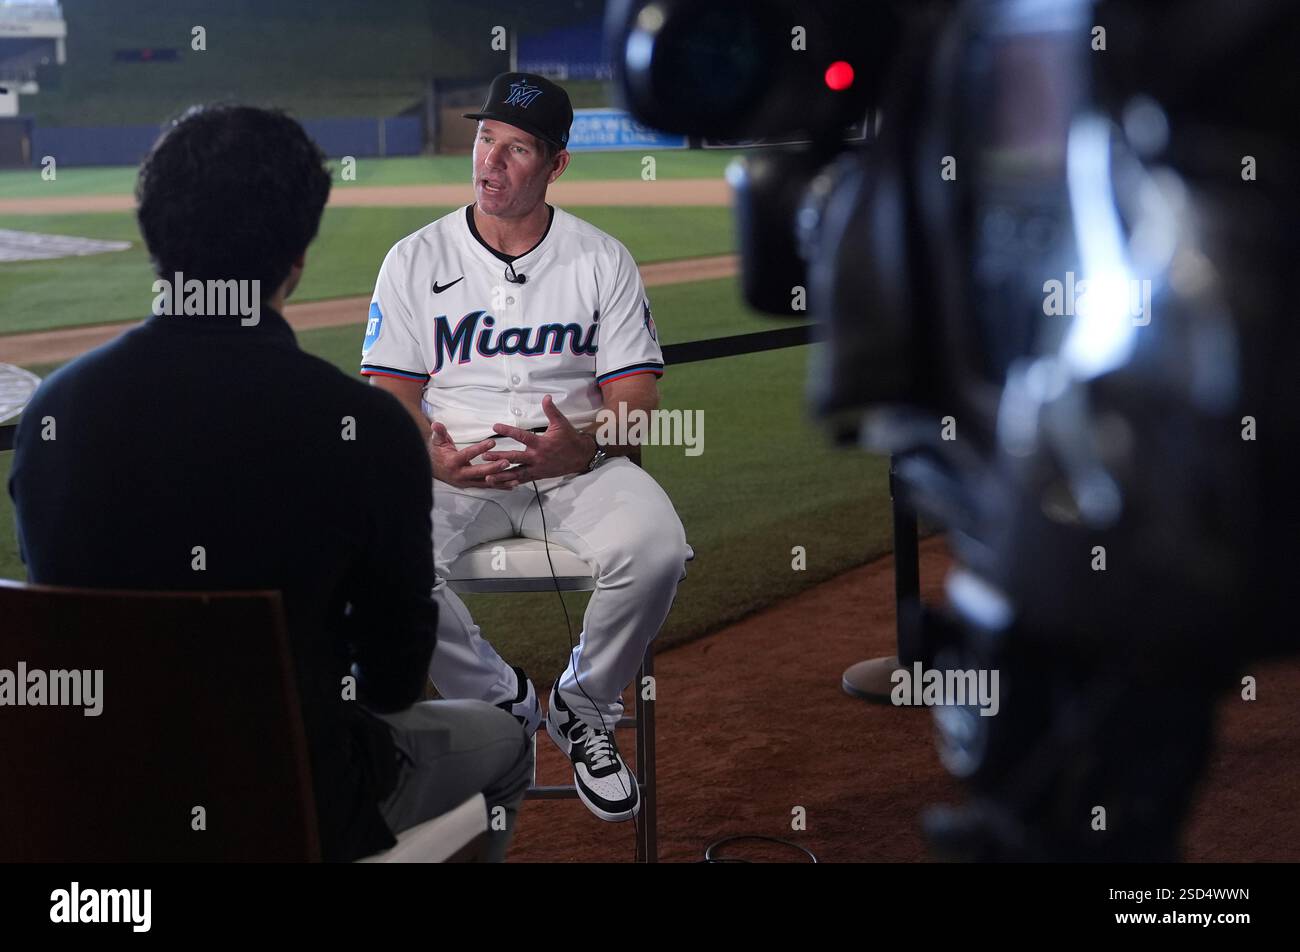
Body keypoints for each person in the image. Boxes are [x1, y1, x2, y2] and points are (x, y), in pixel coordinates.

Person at [8, 105, 530, 862]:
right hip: (297, 809)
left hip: (95, 810)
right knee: (508, 740)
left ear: (155, 236)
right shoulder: (363, 425)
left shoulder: (54, 413)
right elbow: (388, 680)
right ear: (298, 256)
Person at [361, 73, 691, 822]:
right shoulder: (413, 258)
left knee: (658, 547)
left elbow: (636, 401)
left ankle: (583, 704)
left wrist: (588, 443)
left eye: (516, 149)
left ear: (555, 165)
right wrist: (429, 457)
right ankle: (498, 700)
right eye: (486, 140)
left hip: (575, 467)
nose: (492, 162)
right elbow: (392, 398)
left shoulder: (602, 258)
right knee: (384, 560)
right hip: (455, 468)